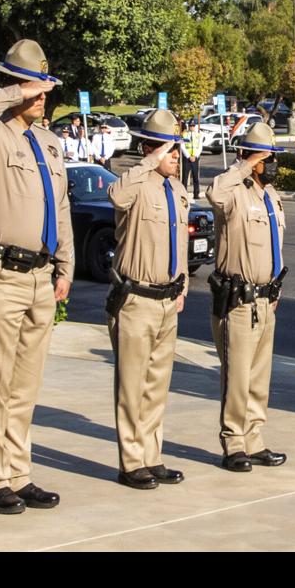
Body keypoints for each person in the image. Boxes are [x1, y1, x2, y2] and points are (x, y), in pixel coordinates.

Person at [0, 38, 74, 514]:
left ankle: (19, 473)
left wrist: (65, 264)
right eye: (35, 86)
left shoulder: (49, 142)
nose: (43, 95)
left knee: (25, 385)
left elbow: (59, 207)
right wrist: (16, 93)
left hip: (40, 277)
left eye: (46, 87)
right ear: (13, 85)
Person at [105, 108, 189, 489]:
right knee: (133, 385)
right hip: (136, 298)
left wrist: (182, 285)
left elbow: (181, 244)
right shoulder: (135, 185)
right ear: (152, 150)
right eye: (171, 150)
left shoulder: (177, 189)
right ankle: (131, 461)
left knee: (157, 385)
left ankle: (151, 456)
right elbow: (116, 196)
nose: (177, 156)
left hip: (167, 300)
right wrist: (149, 162)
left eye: (178, 150)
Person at [206, 122, 291, 472]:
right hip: (237, 300)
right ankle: (233, 442)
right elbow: (213, 192)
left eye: (272, 156)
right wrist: (243, 164)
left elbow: (275, 246)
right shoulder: (234, 193)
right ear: (248, 156)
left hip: (265, 299)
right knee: (237, 376)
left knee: (259, 377)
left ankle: (254, 438)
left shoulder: (271, 196)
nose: (270, 163)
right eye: (264, 157)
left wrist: (276, 287)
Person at [181, 117, 202, 196]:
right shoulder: (185, 134)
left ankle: (196, 194)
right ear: (188, 126)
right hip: (187, 158)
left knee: (195, 177)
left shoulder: (198, 134)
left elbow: (200, 147)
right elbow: (182, 146)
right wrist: (188, 156)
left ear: (195, 126)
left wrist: (195, 156)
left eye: (193, 125)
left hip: (195, 158)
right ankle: (183, 194)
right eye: (190, 126)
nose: (192, 127)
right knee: (185, 177)